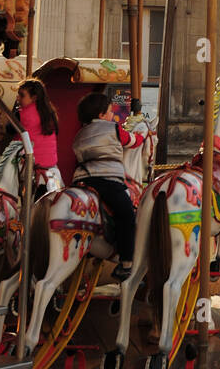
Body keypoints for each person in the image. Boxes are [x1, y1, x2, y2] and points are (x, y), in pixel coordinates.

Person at [73, 91, 143, 281]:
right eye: (111, 112)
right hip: (107, 178)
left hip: (82, 180)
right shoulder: (112, 128)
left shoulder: (80, 134)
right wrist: (142, 136)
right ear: (102, 115)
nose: (113, 116)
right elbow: (132, 141)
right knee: (127, 213)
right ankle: (127, 261)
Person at [15, 78, 62, 193]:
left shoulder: (21, 114)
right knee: (55, 197)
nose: (18, 98)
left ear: (34, 98)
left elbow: (9, 129)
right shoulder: (50, 112)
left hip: (31, 166)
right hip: (51, 167)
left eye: (22, 95)